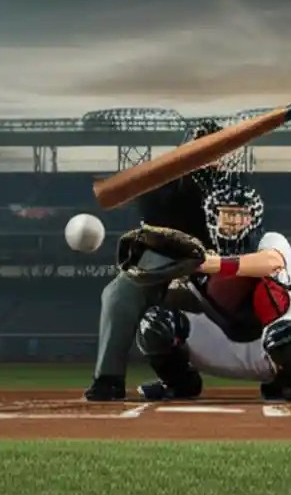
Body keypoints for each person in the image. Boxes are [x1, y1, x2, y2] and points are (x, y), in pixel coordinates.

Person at [133, 178, 291, 403]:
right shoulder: (197, 247)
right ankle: (178, 384)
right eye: (227, 214)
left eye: (241, 214)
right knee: (155, 323)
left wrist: (215, 265)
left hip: (267, 350)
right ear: (214, 217)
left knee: (289, 337)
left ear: (253, 218)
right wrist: (179, 278)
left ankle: (290, 384)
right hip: (215, 341)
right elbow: (177, 300)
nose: (234, 221)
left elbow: (272, 262)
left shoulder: (270, 240)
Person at [84, 120, 232, 402]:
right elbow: (155, 219)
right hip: (170, 257)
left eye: (217, 148)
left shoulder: (236, 187)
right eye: (201, 146)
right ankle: (114, 379)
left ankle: (287, 372)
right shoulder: (165, 183)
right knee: (119, 294)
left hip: (225, 259)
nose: (210, 155)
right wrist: (180, 172)